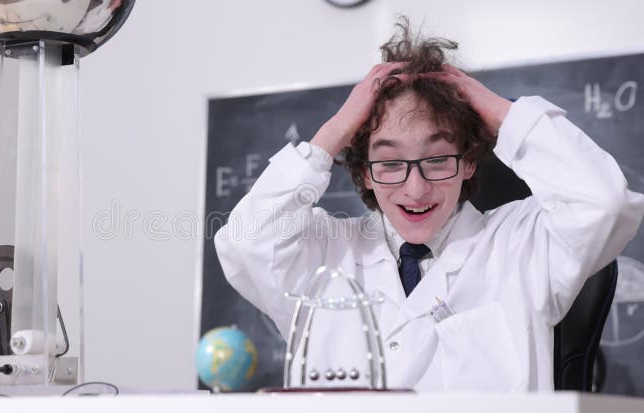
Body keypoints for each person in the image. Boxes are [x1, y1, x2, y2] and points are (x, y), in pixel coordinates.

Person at [213, 19, 644, 392]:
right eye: (390, 162)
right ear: (363, 171)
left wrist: (496, 110)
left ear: (469, 161)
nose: (415, 188)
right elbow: (244, 243)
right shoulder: (321, 254)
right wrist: (337, 130)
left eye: (438, 159)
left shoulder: (523, 244)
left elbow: (604, 203)